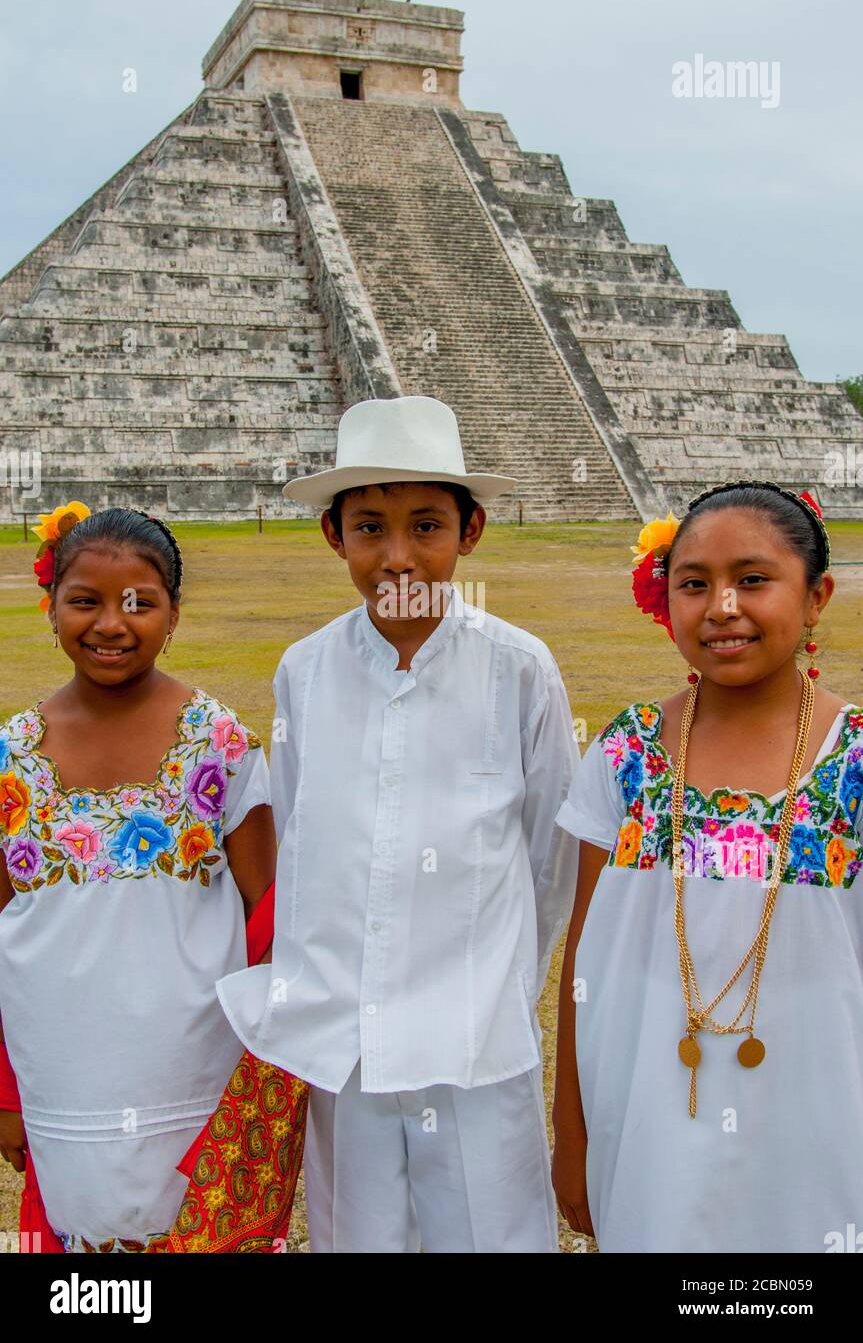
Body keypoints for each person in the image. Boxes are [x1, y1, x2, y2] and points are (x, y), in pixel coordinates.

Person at [217, 395, 579, 1252]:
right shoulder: (304, 671)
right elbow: (303, 843)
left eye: (425, 525)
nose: (398, 554)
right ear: (333, 536)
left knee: (490, 1230)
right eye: (370, 527)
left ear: (471, 532)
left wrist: (495, 985)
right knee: (361, 1234)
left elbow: (547, 859)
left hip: (475, 1033)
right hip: (347, 1032)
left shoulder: (519, 669)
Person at [552, 480, 863, 1253]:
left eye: (752, 580)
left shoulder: (851, 756)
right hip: (647, 1111)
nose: (721, 606)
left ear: (816, 596)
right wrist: (571, 1125)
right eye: (693, 584)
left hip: (820, 1119)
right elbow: (584, 952)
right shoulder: (625, 752)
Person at [0, 503, 304, 1252]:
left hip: (196, 1073)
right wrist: (6, 1093)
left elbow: (267, 916)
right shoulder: (11, 756)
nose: (112, 623)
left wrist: (266, 1080)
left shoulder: (221, 743)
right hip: (64, 1078)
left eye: (140, 602)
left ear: (174, 613)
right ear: (50, 607)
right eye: (85, 601)